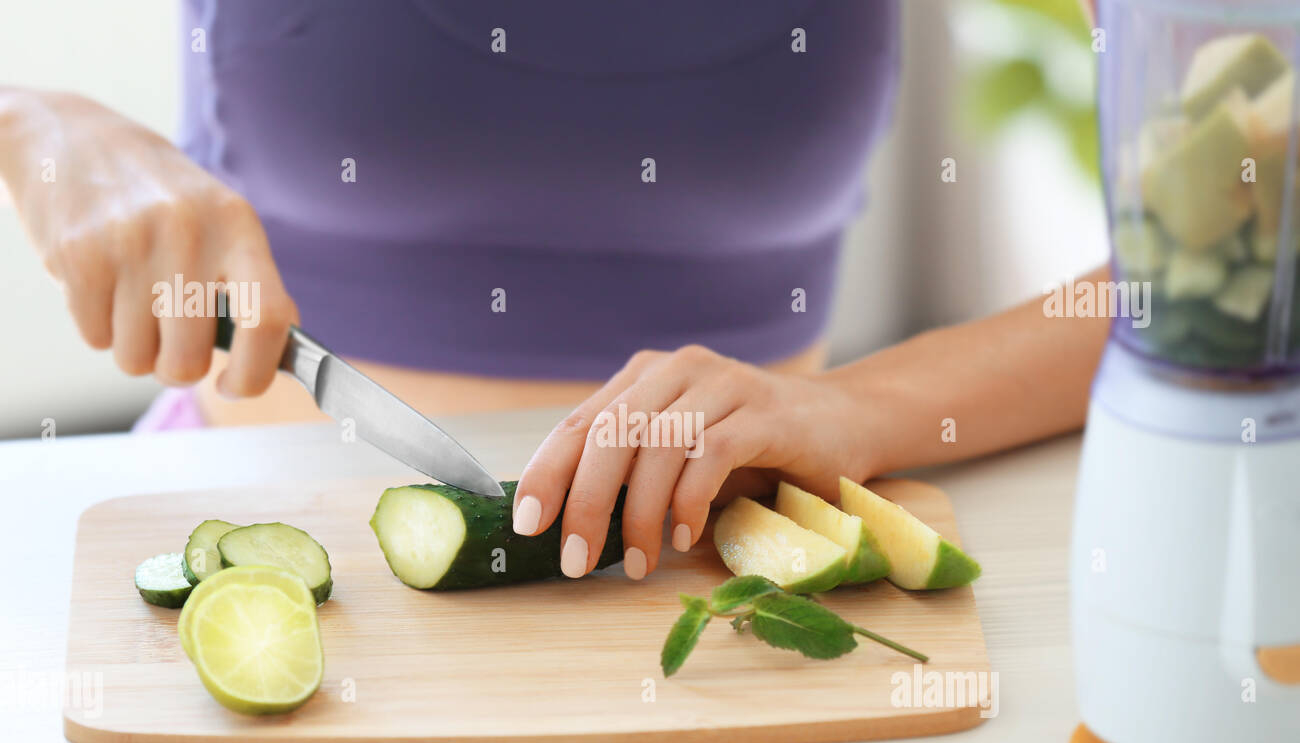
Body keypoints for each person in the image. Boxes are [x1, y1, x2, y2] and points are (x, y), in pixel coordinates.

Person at [0, 1, 1107, 582]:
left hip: (727, 599)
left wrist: (866, 407)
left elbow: (1254, 268)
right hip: (267, 567)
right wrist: (31, 119)